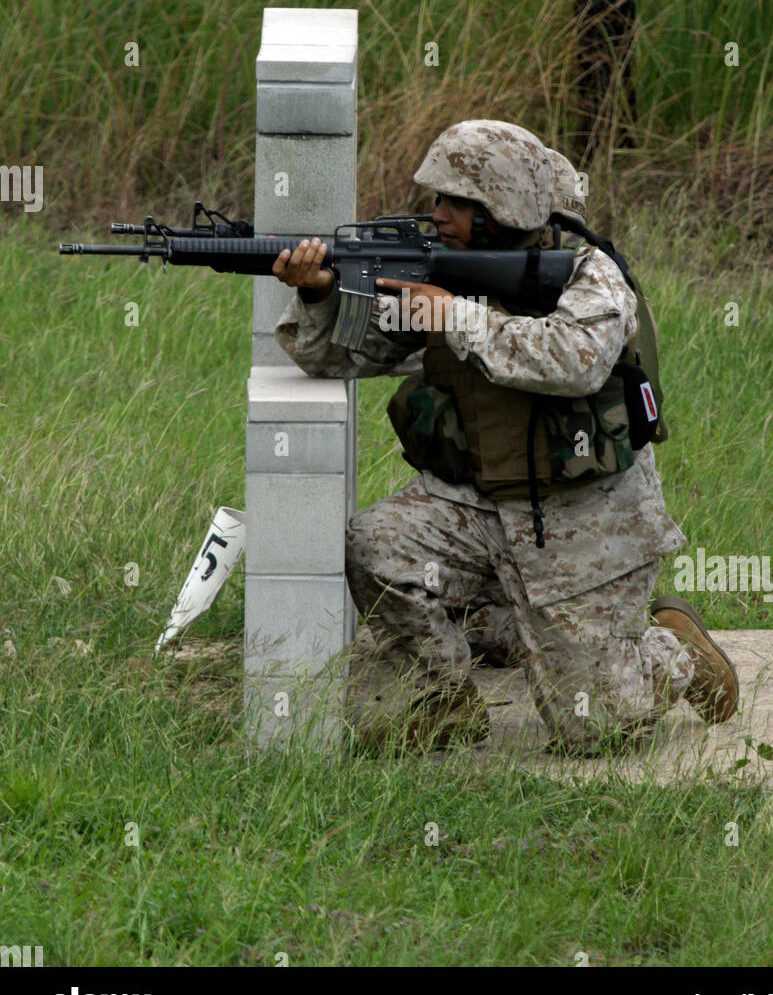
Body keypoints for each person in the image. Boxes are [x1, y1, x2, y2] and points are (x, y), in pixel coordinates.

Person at [271, 119, 738, 753]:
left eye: (456, 202)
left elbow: (575, 360)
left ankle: (669, 652)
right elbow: (341, 356)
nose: (438, 215)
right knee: (376, 547)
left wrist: (453, 315)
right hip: (476, 508)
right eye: (436, 200)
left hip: (584, 526)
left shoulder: (588, 276)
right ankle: (446, 700)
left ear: (505, 207)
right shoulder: (447, 270)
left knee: (594, 730)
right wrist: (324, 294)